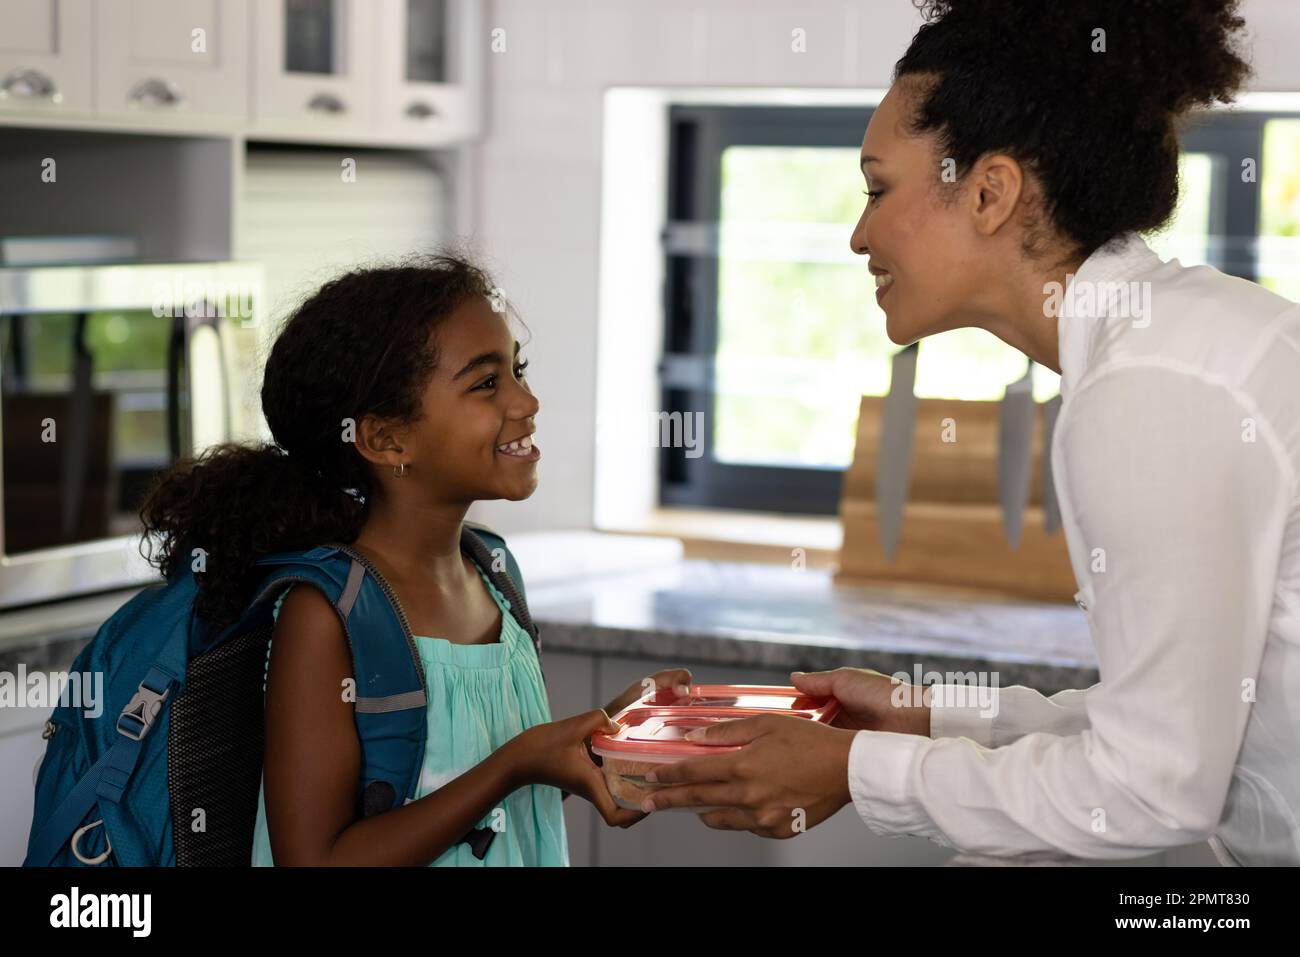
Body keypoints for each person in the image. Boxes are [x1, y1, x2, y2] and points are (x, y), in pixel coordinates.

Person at [644, 0, 1300, 866]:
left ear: (990, 193)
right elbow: (1173, 733)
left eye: (879, 188)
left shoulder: (1148, 390)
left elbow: (1147, 792)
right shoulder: (1173, 341)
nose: (857, 235)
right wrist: (928, 714)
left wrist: (857, 767)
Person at [140, 254, 690, 865]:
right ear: (385, 439)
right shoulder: (328, 613)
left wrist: (599, 735)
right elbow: (316, 861)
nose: (526, 400)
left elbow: (483, 824)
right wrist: (518, 762)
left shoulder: (494, 573)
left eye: (517, 370)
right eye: (487, 382)